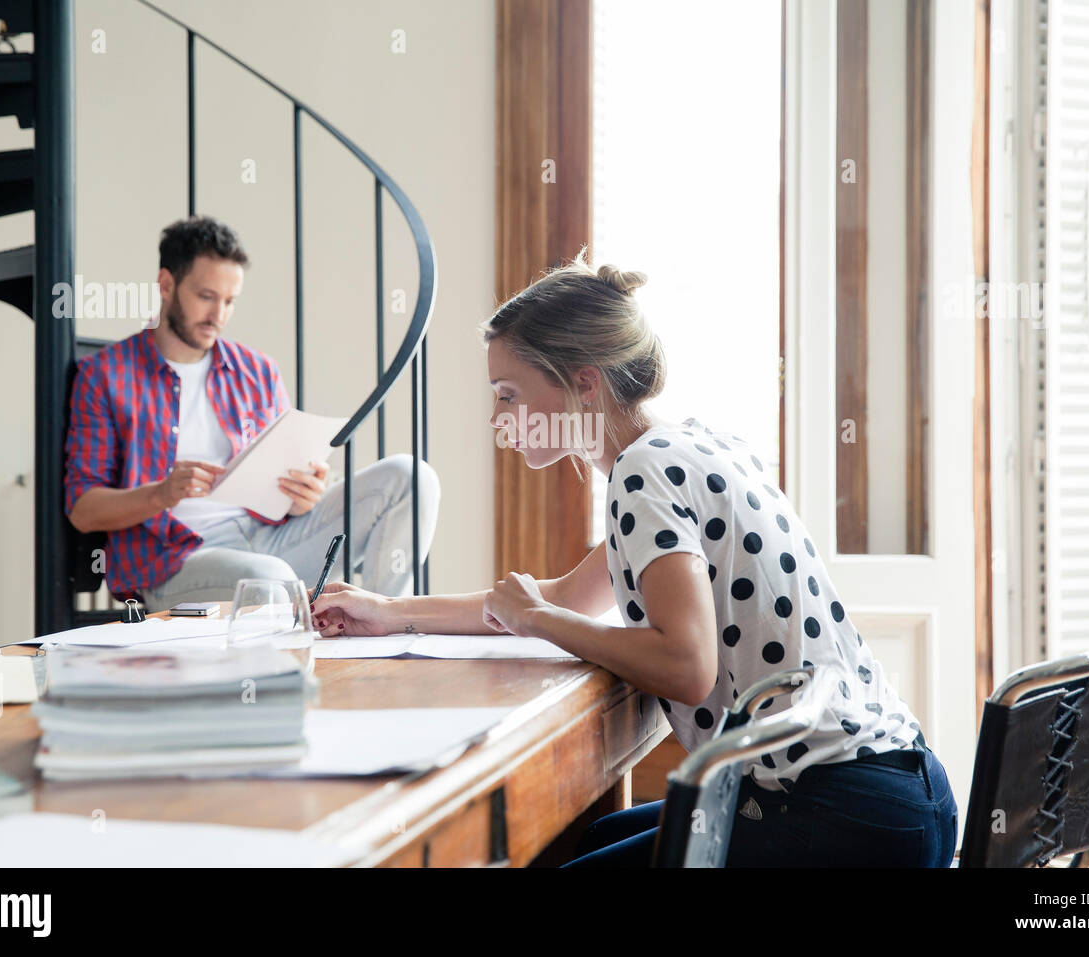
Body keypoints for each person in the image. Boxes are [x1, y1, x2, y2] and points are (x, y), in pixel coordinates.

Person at [309, 252, 957, 867]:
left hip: (840, 804)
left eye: (508, 393)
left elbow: (685, 664)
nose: (496, 416)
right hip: (899, 787)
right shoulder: (687, 445)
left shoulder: (644, 473)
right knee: (593, 836)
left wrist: (541, 621)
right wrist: (391, 611)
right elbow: (561, 599)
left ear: (583, 384)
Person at [64, 215, 441, 613]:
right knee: (269, 579)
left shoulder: (256, 370)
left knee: (411, 477)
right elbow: (83, 509)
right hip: (177, 561)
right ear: (166, 285)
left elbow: (284, 484)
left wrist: (303, 499)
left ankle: (385, 622)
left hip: (272, 541)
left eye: (229, 301)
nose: (219, 315)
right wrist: (162, 493)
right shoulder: (106, 375)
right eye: (206, 296)